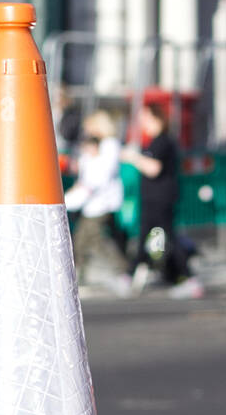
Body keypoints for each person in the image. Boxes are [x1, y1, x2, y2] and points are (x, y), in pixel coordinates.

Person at [121, 102, 203, 297]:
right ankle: (132, 274)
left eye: (145, 118)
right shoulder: (156, 142)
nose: (142, 123)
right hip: (154, 198)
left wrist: (133, 158)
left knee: (166, 237)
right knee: (148, 237)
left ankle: (187, 278)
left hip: (160, 198)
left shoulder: (162, 142)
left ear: (155, 118)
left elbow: (153, 168)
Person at [64, 111, 129, 292]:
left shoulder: (108, 145)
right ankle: (78, 275)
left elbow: (102, 174)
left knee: (94, 238)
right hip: (91, 202)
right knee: (83, 239)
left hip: (102, 201)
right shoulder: (95, 146)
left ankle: (120, 271)